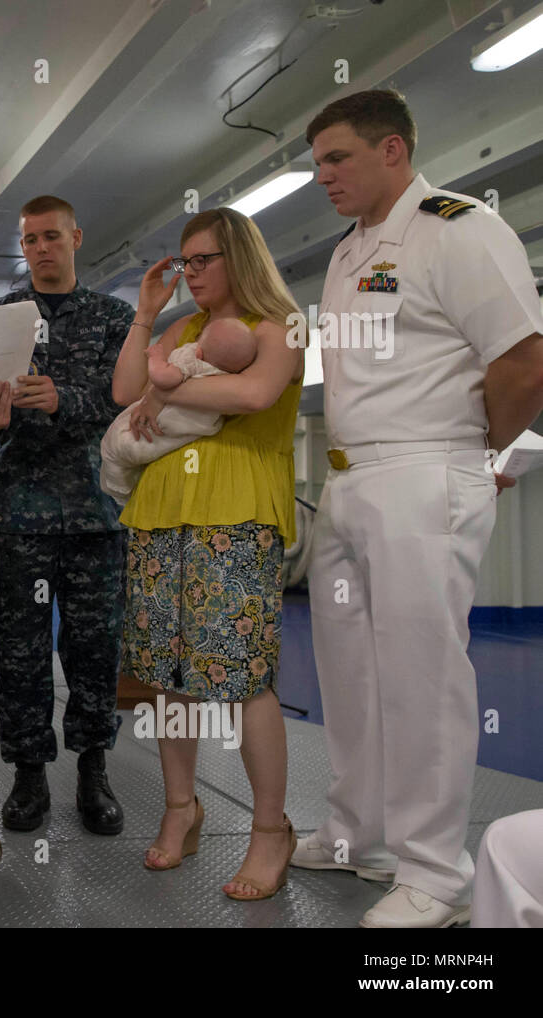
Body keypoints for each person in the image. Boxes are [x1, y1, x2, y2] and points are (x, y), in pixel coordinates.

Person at [295, 89, 543, 927]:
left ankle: (438, 875)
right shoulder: (346, 250)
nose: (322, 175)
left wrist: (476, 452)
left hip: (423, 473)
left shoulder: (457, 228)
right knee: (352, 673)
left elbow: (523, 358)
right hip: (349, 480)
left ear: (393, 150)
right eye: (318, 161)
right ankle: (358, 835)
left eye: (338, 158)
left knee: (421, 676)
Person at [112, 207, 302, 900]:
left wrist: (168, 392)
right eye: (184, 261)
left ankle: (271, 830)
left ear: (238, 259)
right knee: (169, 676)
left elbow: (255, 393)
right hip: (163, 511)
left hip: (235, 511)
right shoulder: (179, 330)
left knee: (245, 678)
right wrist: (145, 315)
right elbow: (123, 392)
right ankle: (181, 806)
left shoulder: (278, 324)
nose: (190, 274)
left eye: (203, 261)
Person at [0, 194, 133, 834]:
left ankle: (94, 772)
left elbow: (132, 404)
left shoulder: (115, 319)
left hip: (97, 514)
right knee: (20, 654)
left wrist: (66, 399)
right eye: (29, 239)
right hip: (19, 515)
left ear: (76, 237)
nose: (39, 248)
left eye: (50, 237)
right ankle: (29, 775)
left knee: (95, 651)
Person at [100, 317, 258, 502]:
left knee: (114, 447)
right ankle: (123, 489)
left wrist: (156, 358)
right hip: (188, 431)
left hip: (158, 427)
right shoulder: (227, 378)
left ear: (198, 351)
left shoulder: (193, 362)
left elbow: (164, 378)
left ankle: (119, 491)